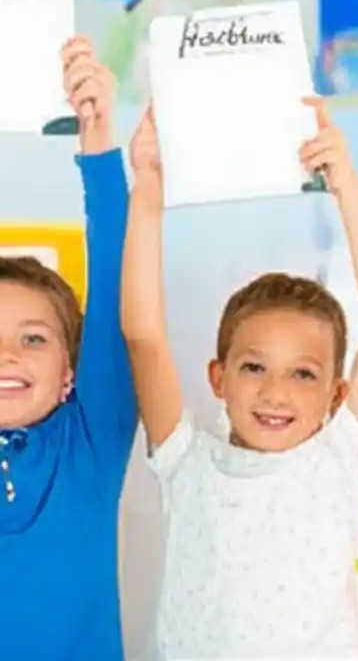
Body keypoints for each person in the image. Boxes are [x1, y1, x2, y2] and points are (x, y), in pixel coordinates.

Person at [121, 97, 358, 658]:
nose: (275, 392)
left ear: (337, 394)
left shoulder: (339, 457)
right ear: (218, 377)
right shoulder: (185, 461)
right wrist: (147, 197)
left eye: (304, 374)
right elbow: (143, 334)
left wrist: (346, 186)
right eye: (254, 366)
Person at [0, 38, 136, 659]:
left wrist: (99, 140)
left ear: (70, 372)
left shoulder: (90, 442)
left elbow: (113, 280)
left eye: (33, 338)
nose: (8, 355)